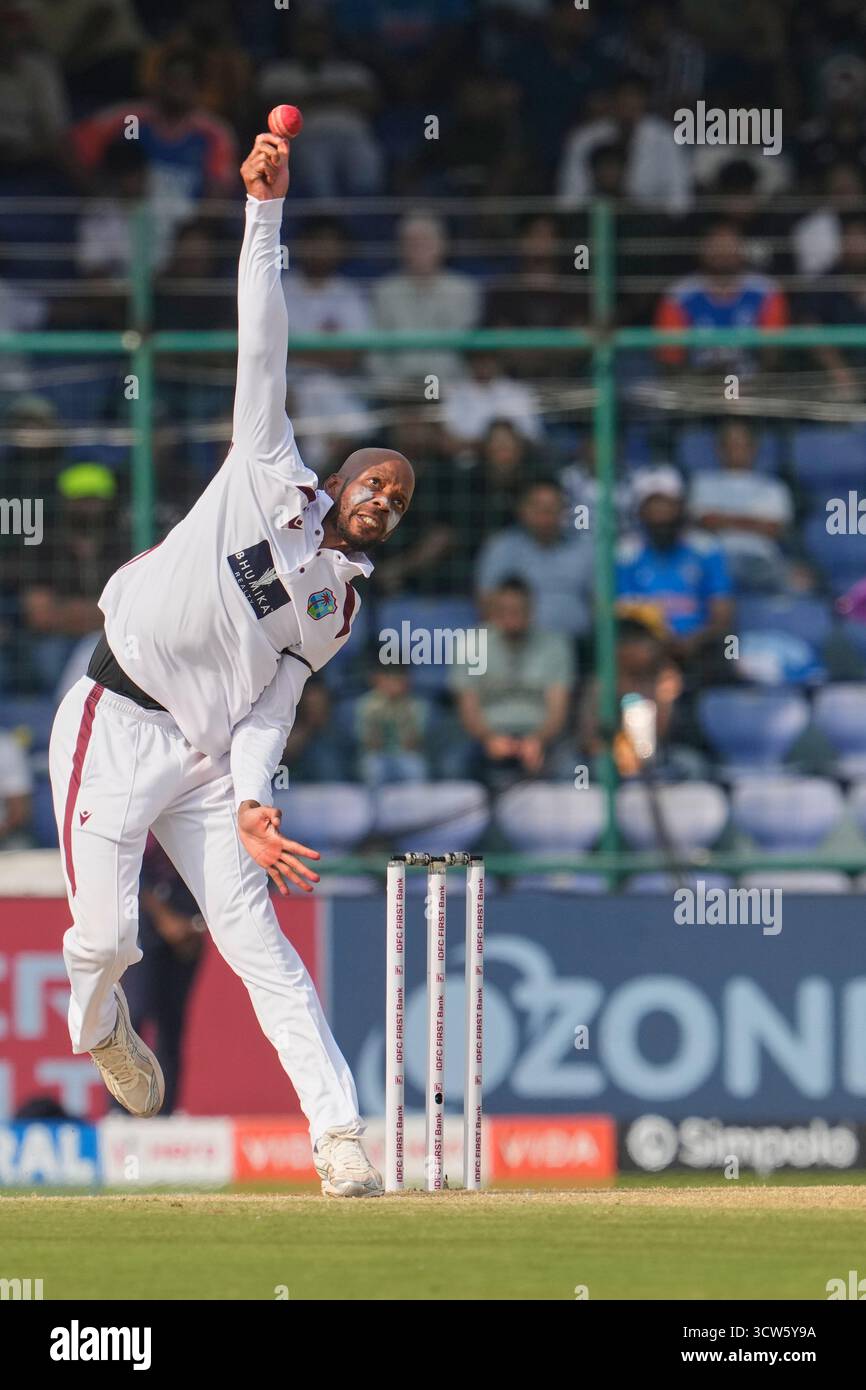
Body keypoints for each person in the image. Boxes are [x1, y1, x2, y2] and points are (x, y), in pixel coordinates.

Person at [48, 130, 416, 1199]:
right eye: (374, 478)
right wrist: (263, 215)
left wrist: (254, 799)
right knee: (106, 934)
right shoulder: (269, 467)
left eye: (398, 496)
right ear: (339, 475)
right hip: (115, 716)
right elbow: (265, 341)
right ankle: (101, 1025)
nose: (383, 495)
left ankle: (340, 1140)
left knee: (261, 945)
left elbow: (275, 697)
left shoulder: (335, 605)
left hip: (209, 764)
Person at [451, 577, 574, 790]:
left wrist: (537, 740)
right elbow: (468, 708)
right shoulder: (471, 644)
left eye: (518, 610)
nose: (511, 617)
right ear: (492, 610)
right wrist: (489, 739)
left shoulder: (555, 644)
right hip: (487, 737)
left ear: (531, 610)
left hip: (541, 736)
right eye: (504, 610)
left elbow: (558, 711)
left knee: (572, 769)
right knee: (452, 767)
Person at [616, 467, 733, 683]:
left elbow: (722, 613)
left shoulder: (706, 548)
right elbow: (623, 612)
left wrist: (693, 640)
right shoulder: (626, 553)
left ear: (680, 508)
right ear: (641, 511)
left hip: (699, 644)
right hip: (646, 645)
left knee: (729, 645)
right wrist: (659, 642)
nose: (661, 515)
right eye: (653, 507)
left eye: (667, 506)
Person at [475, 478, 594, 640]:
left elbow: (601, 605)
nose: (545, 515)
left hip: (579, 644)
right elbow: (487, 603)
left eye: (552, 508)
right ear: (522, 510)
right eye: (538, 508)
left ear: (564, 511)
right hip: (521, 645)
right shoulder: (502, 548)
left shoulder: (584, 550)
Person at [687, 420, 794, 593]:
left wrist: (725, 519)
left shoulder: (773, 487)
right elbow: (706, 522)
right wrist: (753, 522)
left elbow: (773, 529)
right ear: (719, 449)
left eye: (742, 444)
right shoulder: (703, 482)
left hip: (761, 561)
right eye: (730, 444)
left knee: (798, 583)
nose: (736, 449)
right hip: (716, 559)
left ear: (753, 448)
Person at [355, 666, 429, 788]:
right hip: (376, 754)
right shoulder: (367, 704)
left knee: (415, 767)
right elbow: (367, 741)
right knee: (373, 768)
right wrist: (379, 716)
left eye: (397, 679)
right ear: (377, 680)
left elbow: (414, 741)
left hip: (404, 753)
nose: (392, 684)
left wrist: (401, 714)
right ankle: (374, 807)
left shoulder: (415, 705)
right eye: (388, 678)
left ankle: (416, 805)